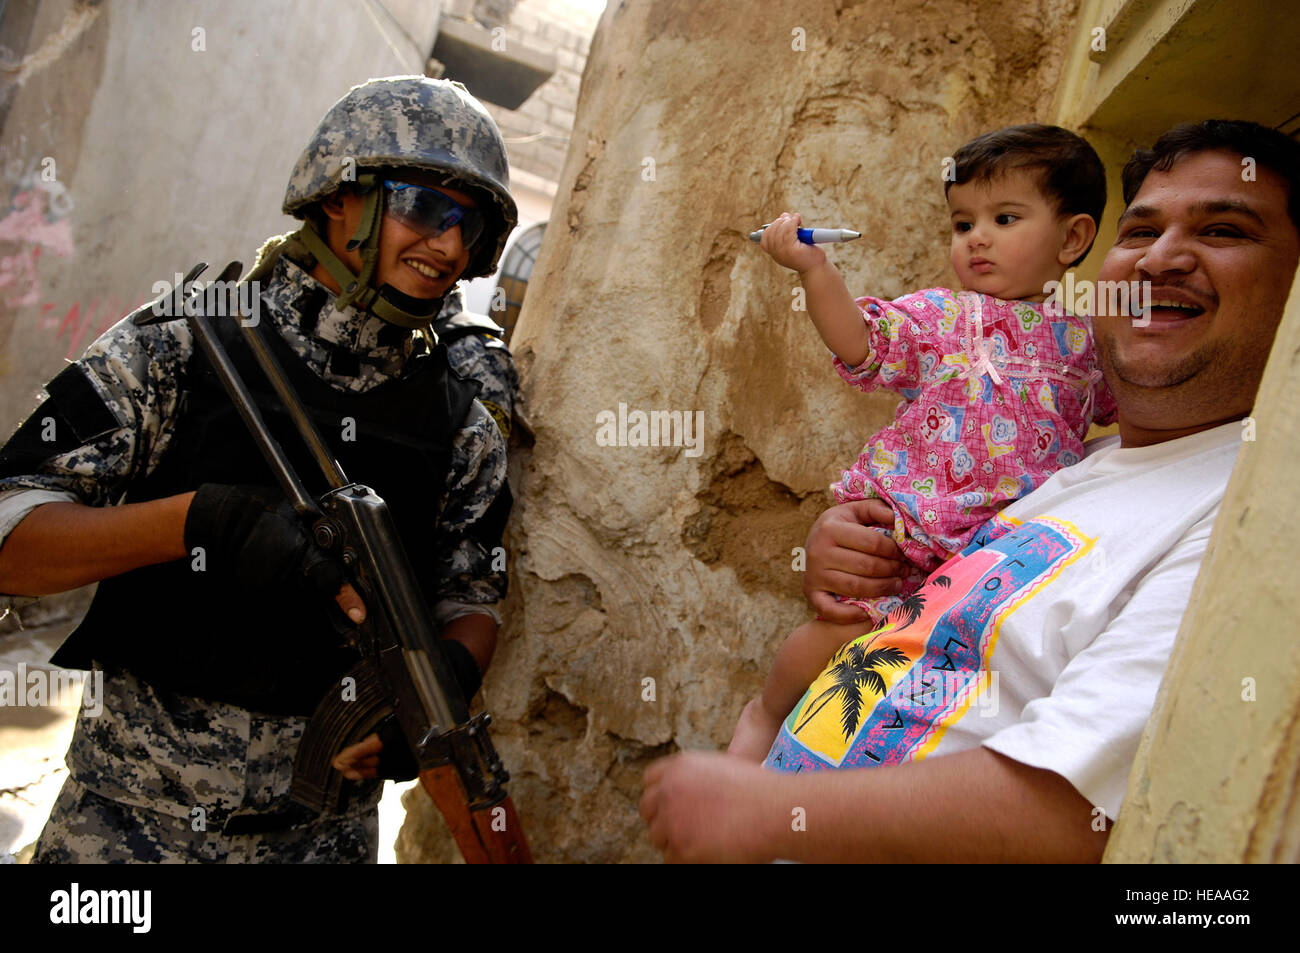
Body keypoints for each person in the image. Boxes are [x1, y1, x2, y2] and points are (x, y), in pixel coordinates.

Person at [641, 119, 1300, 862]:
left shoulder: (1244, 520)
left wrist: (768, 808)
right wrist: (850, 546)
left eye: (1223, 230)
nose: (1162, 257)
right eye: (1141, 229)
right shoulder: (1063, 470)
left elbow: (1069, 810)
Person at [0, 76, 518, 863]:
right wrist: (200, 520)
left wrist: (442, 675)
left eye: (468, 223)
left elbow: (472, 596)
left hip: (326, 840)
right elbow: (10, 533)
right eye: (423, 208)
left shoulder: (459, 421)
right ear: (337, 198)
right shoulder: (183, 348)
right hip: (130, 831)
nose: (448, 245)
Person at [730, 125, 1115, 760]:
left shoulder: (1089, 346)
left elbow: (1128, 414)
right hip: (907, 536)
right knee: (839, 638)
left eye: (1004, 217)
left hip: (994, 563)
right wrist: (814, 268)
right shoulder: (944, 318)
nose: (977, 238)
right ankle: (764, 717)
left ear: (1072, 238)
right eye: (963, 225)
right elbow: (859, 340)